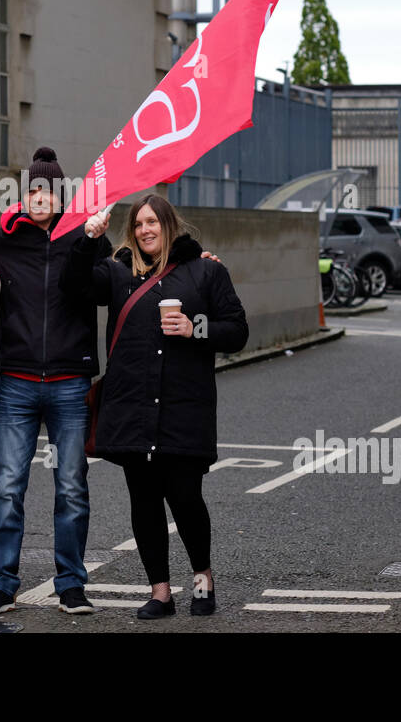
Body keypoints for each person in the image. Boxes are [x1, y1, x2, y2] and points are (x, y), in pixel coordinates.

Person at [62, 193, 247, 619]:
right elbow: (74, 288)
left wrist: (193, 327)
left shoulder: (206, 271)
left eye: (154, 222)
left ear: (169, 225)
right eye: (139, 223)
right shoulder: (118, 271)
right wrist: (87, 240)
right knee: (143, 501)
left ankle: (203, 578)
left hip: (184, 408)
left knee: (185, 498)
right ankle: (160, 592)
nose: (146, 229)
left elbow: (237, 330)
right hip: (131, 407)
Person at [0, 148, 110, 618]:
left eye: (47, 190)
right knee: (8, 485)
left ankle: (71, 584)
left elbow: (110, 286)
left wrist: (92, 241)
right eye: (31, 189)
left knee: (71, 485)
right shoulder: (6, 239)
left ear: (61, 196)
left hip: (71, 380)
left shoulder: (83, 236)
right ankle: (0, 583)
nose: (38, 197)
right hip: (17, 380)